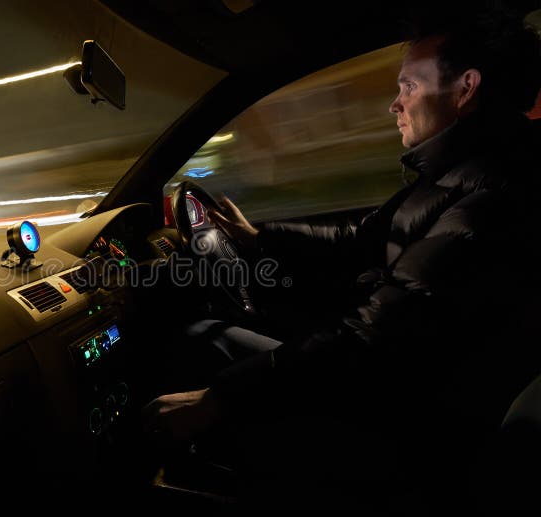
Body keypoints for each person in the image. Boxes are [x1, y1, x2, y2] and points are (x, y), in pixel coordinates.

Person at [141, 8, 541, 510]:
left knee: (202, 339)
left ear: (465, 88)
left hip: (410, 437)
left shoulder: (491, 196)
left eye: (409, 87)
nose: (395, 104)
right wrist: (257, 239)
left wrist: (219, 399)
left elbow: (371, 341)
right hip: (403, 399)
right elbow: (357, 240)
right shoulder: (455, 173)